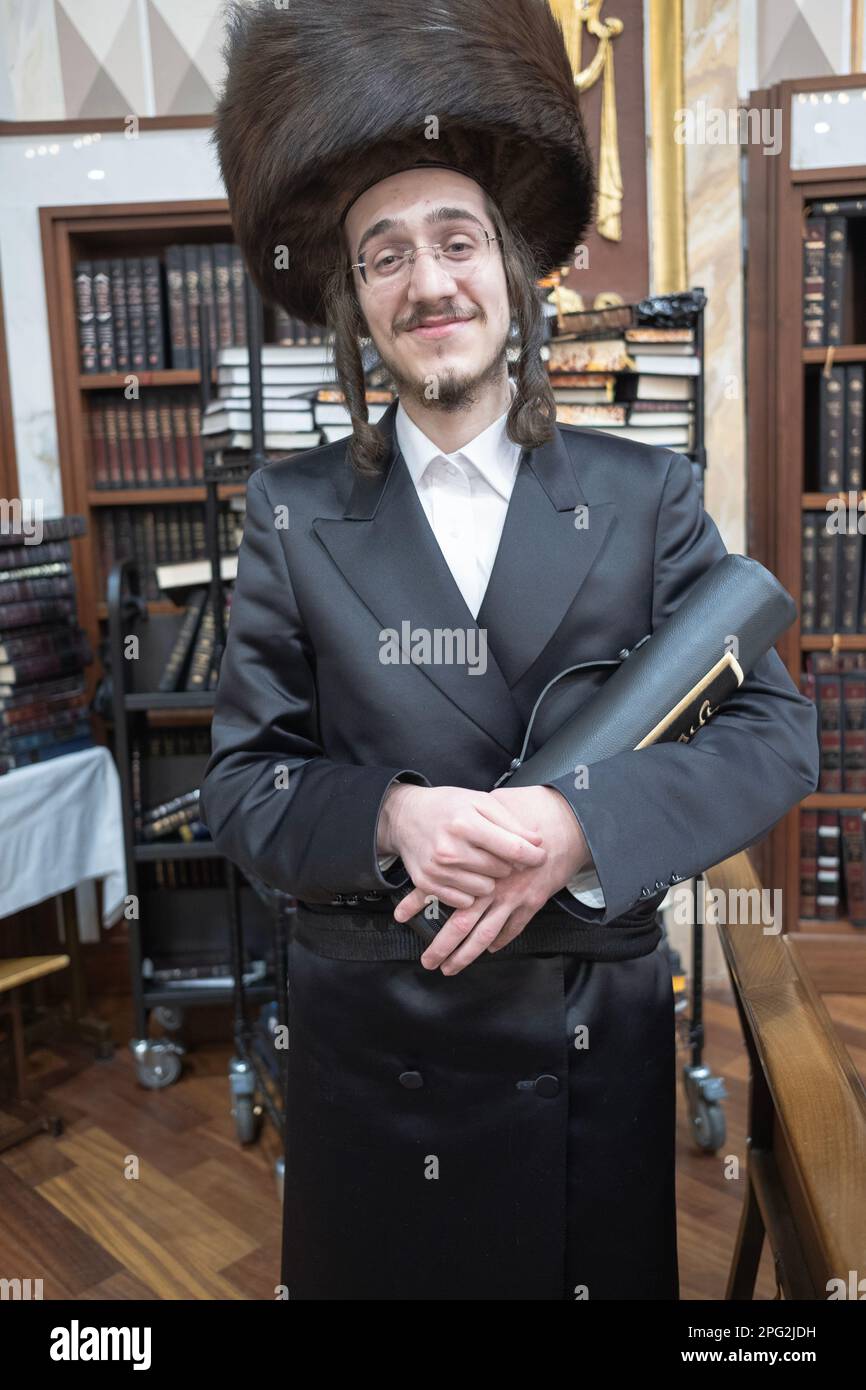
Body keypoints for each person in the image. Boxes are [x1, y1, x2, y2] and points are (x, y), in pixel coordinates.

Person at [199, 0, 820, 1300]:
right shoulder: (288, 511)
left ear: (513, 269)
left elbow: (775, 733)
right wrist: (394, 815)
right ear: (355, 305)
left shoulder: (644, 495)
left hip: (586, 1048)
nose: (426, 281)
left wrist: (572, 822)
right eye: (383, 257)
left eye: (453, 240)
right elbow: (241, 786)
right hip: (372, 1047)